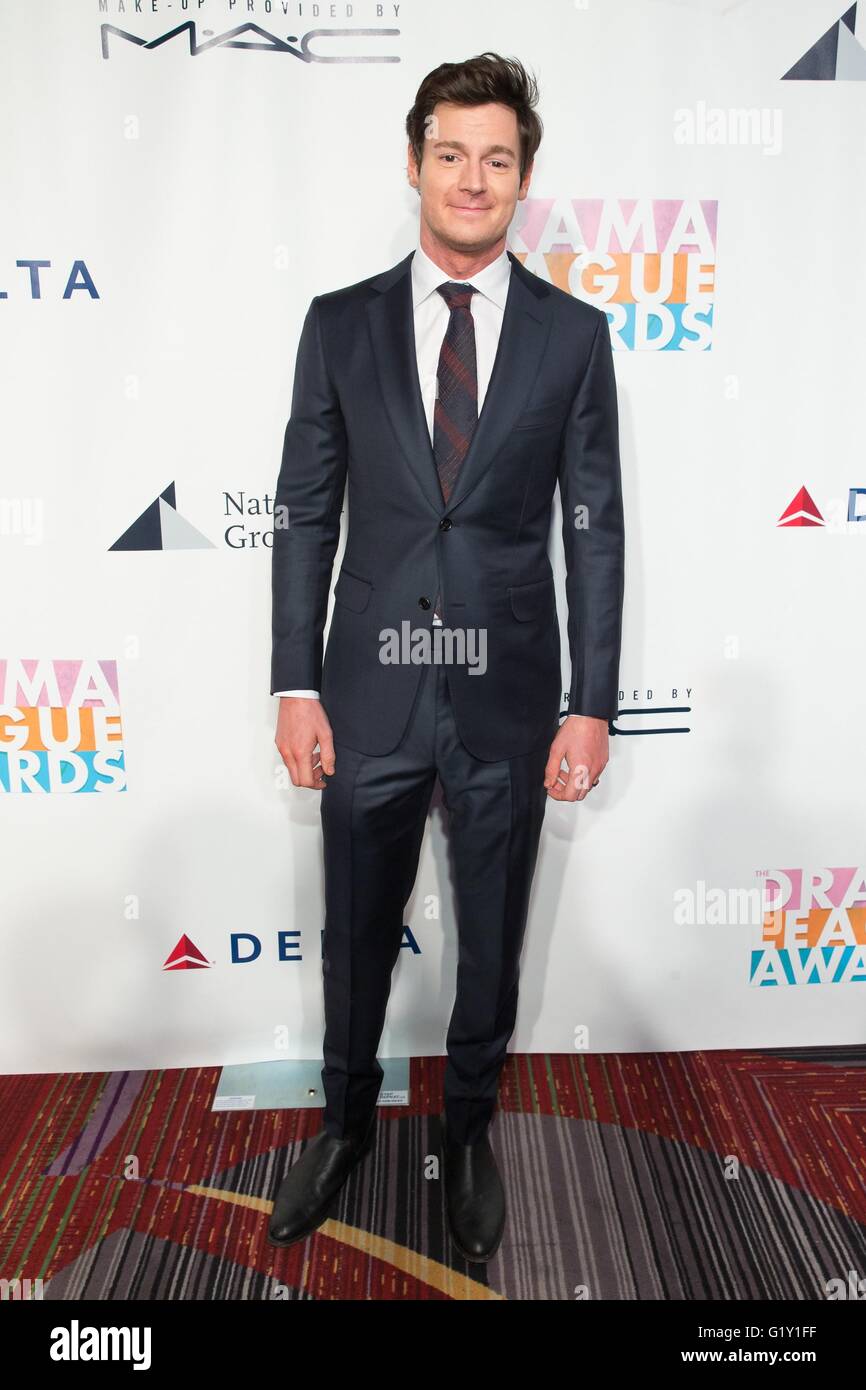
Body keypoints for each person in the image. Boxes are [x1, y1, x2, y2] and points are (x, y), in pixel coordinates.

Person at [267, 51, 625, 1263]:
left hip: (511, 696)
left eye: (498, 159)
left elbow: (594, 530)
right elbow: (306, 513)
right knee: (356, 928)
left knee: (490, 929)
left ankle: (467, 1128)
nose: (472, 179)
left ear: (524, 178)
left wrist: (591, 703)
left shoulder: (574, 339)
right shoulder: (338, 324)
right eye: (451, 153)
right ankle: (343, 1123)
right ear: (413, 161)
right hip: (363, 689)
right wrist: (294, 678)